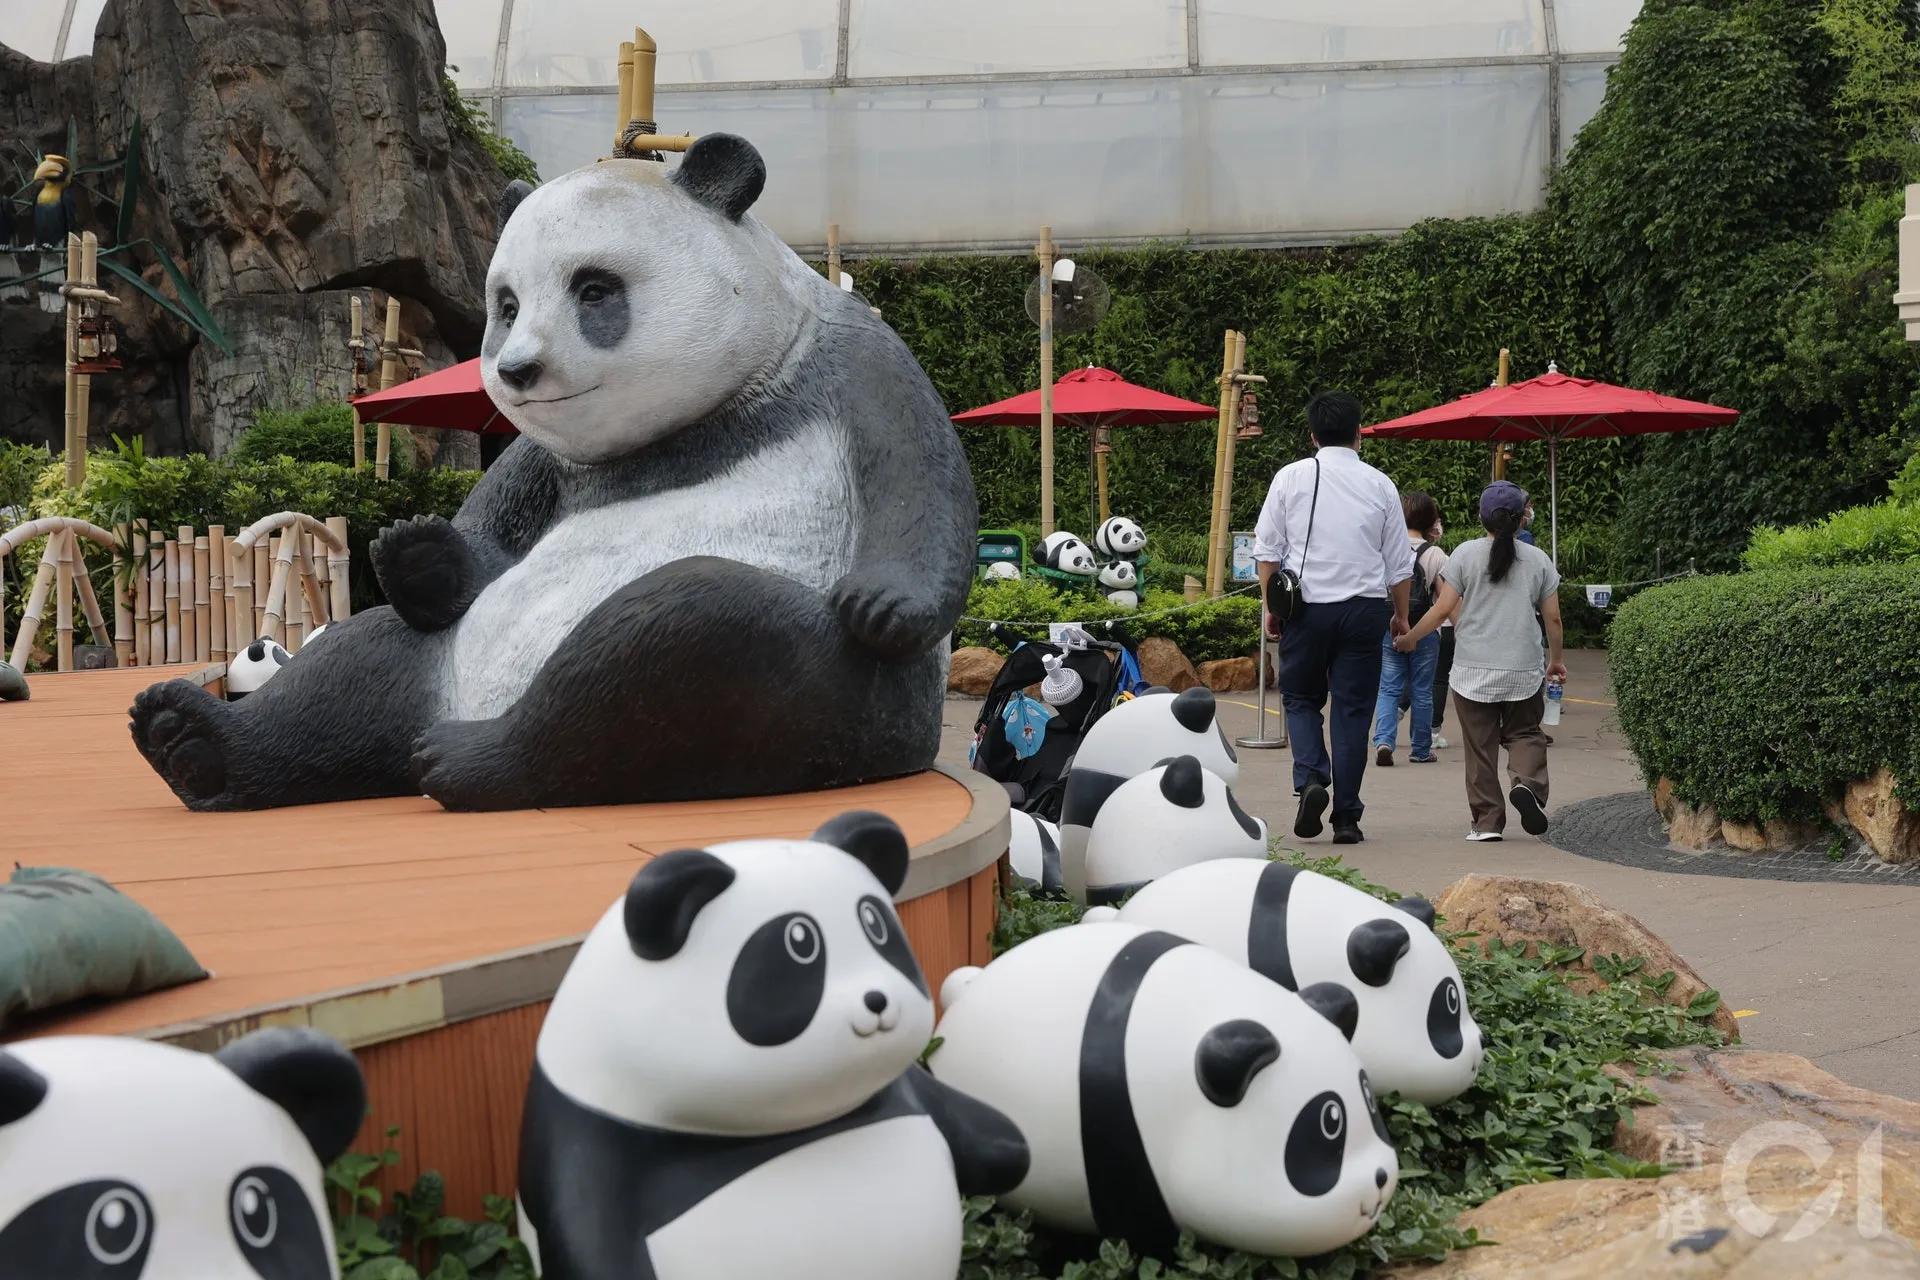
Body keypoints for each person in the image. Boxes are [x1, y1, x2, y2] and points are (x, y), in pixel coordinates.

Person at [1254, 391, 1414, 845]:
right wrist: (1400, 617)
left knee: (1301, 698)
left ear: (1312, 436)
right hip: (1365, 610)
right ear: (1359, 434)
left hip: (1306, 609)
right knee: (1352, 712)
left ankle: (1310, 781)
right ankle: (1346, 818)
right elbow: (1399, 565)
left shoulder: (1290, 478)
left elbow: (1266, 551)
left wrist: (1272, 607)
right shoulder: (1381, 484)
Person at [1396, 480, 1566, 841]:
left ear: (1481, 517)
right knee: (1525, 735)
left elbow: (1442, 607)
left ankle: (1487, 822)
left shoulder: (1464, 554)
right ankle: (1528, 786)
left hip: (1472, 671)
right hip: (1523, 669)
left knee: (1480, 749)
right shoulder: (1538, 560)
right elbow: (1553, 618)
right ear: (1522, 520)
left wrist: (1410, 637)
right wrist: (1555, 661)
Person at [1372, 492, 1447, 767]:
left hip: (1389, 626)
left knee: (1389, 688)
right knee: (1422, 690)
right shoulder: (1436, 554)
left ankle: (1383, 740)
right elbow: (1445, 599)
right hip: (1425, 631)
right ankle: (1420, 749)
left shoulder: (1386, 547)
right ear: (1431, 521)